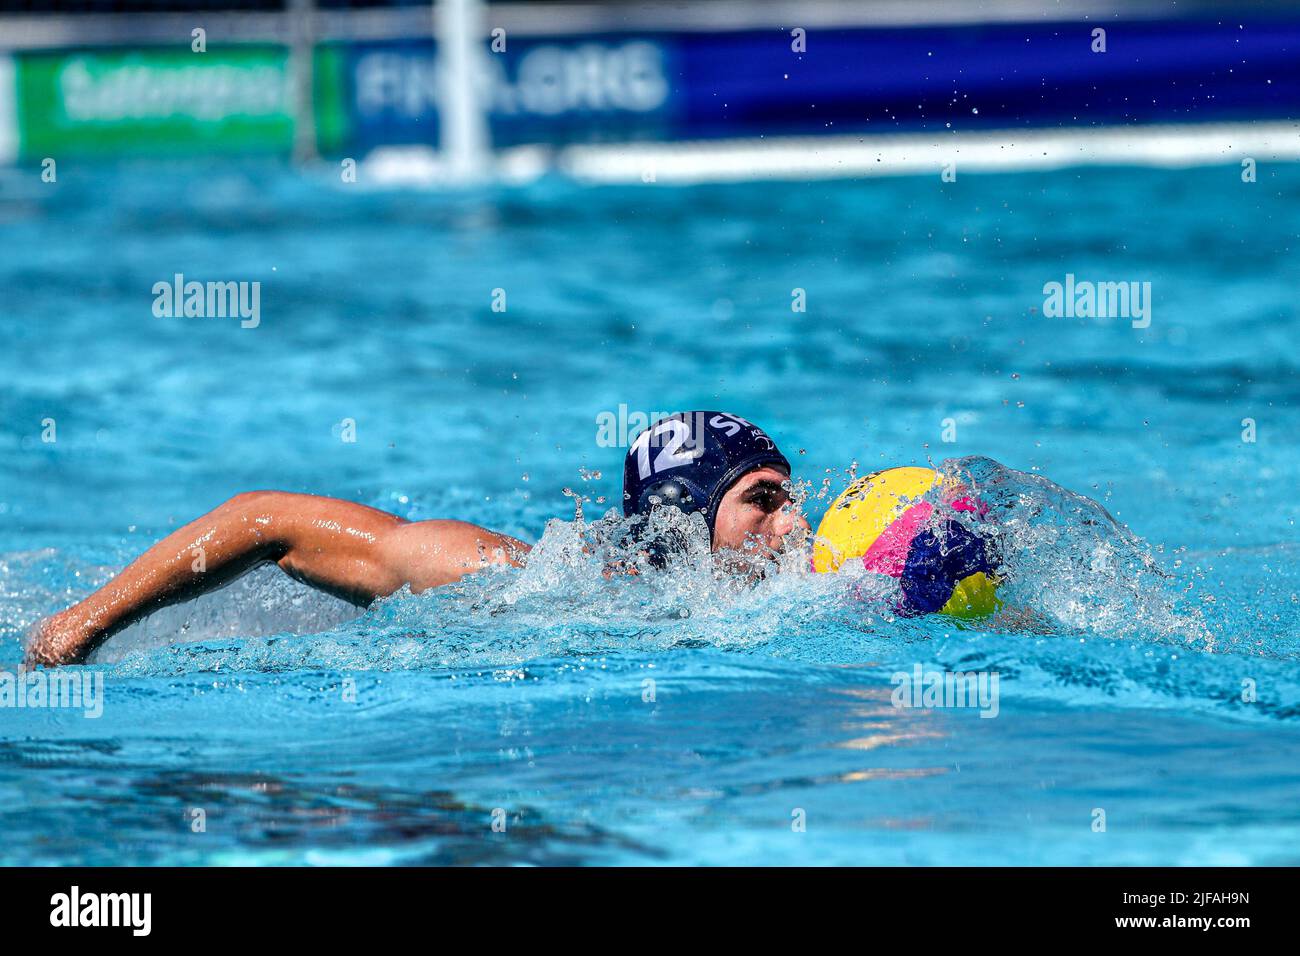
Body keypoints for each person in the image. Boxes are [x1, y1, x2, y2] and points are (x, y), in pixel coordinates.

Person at [27, 411, 807, 667]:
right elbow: (261, 519)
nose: (795, 525)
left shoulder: (801, 603)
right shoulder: (531, 581)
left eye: (793, 500)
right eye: (762, 501)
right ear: (679, 520)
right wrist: (78, 628)